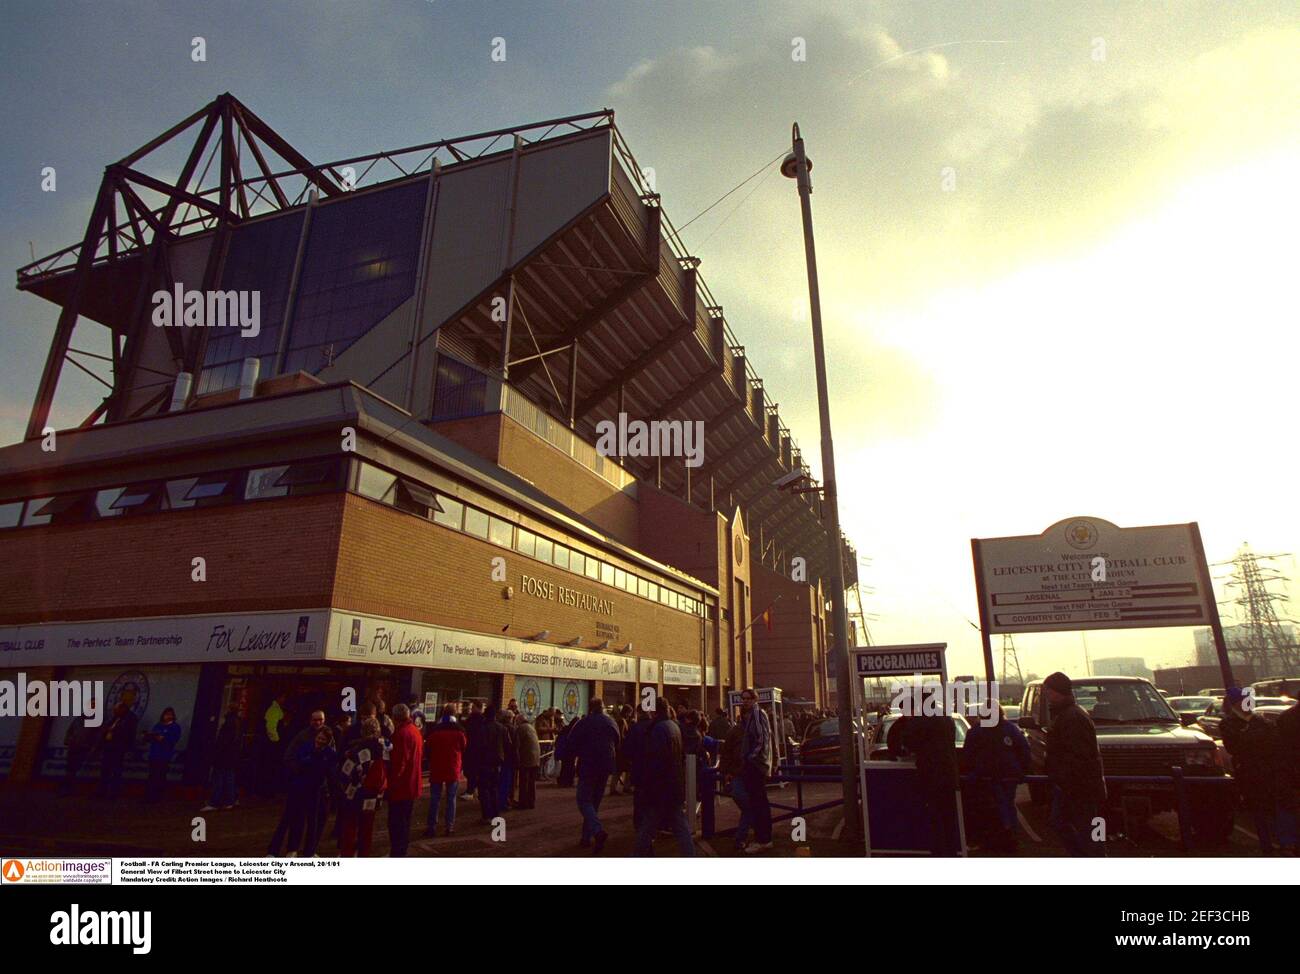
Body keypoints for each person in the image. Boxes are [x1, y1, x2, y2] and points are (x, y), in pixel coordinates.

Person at [1042, 671, 1107, 857]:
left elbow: (1078, 756)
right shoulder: (1073, 714)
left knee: (1082, 828)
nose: (1047, 697)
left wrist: (1062, 779)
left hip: (1077, 787)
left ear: (1057, 692)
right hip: (1079, 785)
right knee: (1089, 830)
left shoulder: (1071, 718)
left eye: (1049, 692)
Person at [1221, 687, 1284, 854]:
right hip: (1250, 772)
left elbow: (1274, 740)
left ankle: (1279, 843)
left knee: (1272, 808)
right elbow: (1236, 746)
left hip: (1268, 769)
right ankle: (1267, 846)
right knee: (1258, 809)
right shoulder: (1229, 723)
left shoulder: (1259, 721)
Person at [962, 702, 1029, 852]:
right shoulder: (1010, 729)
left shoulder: (976, 731)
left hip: (984, 776)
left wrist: (972, 772)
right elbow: (1024, 749)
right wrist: (1021, 771)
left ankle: (996, 837)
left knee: (990, 807)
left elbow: (968, 755)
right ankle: (1010, 835)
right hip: (1007, 775)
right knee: (1007, 804)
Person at [633, 695, 695, 857]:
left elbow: (656, 760)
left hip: (661, 787)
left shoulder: (659, 729)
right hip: (674, 785)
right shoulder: (673, 726)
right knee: (679, 825)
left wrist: (648, 785)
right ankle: (690, 855)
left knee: (648, 826)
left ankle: (637, 855)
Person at [562, 698, 620, 852]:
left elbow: (571, 742)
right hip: (606, 766)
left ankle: (597, 831)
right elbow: (617, 740)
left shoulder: (584, 723)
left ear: (590, 708)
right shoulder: (611, 722)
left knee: (583, 801)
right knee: (594, 803)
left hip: (588, 765)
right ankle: (586, 837)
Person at [269, 725, 336, 857]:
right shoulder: (306, 747)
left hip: (315, 790)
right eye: (319, 738)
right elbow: (300, 764)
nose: (320, 741)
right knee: (290, 818)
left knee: (312, 822)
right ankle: (278, 850)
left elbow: (330, 773)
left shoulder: (328, 754)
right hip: (299, 787)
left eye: (323, 739)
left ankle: (307, 852)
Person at [337, 717, 388, 857]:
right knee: (367, 829)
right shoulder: (384, 750)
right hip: (374, 796)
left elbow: (345, 774)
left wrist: (347, 790)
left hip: (355, 795)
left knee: (350, 828)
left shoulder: (357, 751)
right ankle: (363, 855)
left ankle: (347, 855)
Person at [738, 688, 774, 853]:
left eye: (748, 698)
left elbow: (762, 738)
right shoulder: (749, 717)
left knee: (759, 802)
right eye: (743, 698)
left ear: (754, 699)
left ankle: (764, 839)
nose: (745, 701)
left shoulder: (758, 714)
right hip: (755, 764)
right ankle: (762, 837)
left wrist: (751, 757)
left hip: (756, 765)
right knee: (756, 802)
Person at [424, 704, 467, 837]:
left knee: (435, 798)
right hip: (453, 767)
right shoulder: (460, 731)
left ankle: (431, 827)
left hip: (437, 767)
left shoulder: (435, 730)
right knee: (451, 798)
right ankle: (449, 826)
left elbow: (428, 748)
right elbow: (464, 746)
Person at [387, 703, 423, 857]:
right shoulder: (415, 731)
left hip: (401, 786)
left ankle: (397, 852)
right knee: (405, 821)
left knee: (396, 822)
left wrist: (390, 783)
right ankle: (401, 851)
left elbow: (399, 762)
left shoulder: (401, 734)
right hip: (412, 783)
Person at [201, 705, 244, 811]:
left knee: (219, 778)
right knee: (229, 777)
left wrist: (215, 753)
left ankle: (215, 801)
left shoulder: (228, 723)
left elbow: (223, 742)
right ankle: (231, 799)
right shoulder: (238, 723)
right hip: (232, 756)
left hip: (223, 756)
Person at [718, 720, 752, 851]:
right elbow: (726, 752)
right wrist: (725, 771)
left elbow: (770, 746)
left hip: (752, 773)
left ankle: (744, 836)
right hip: (739, 773)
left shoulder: (760, 728)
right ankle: (743, 836)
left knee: (750, 808)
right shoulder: (734, 731)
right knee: (748, 806)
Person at [96, 702, 137, 800]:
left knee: (115, 772)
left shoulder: (130, 718)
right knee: (105, 770)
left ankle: (113, 793)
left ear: (122, 709)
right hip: (109, 747)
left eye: (116, 709)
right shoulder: (115, 718)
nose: (114, 711)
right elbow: (106, 728)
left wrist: (113, 730)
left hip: (118, 748)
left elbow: (127, 733)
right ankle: (102, 791)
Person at [476, 703, 508, 822]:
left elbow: (478, 746)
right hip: (497, 762)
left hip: (484, 762)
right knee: (494, 788)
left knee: (484, 790)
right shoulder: (502, 728)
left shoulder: (482, 728)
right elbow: (507, 744)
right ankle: (495, 813)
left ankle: (486, 815)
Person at [623, 707, 653, 830]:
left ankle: (639, 823)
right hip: (652, 767)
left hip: (639, 766)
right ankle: (650, 822)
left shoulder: (635, 727)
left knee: (639, 796)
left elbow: (627, 748)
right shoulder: (655, 726)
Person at [257, 691, 289, 797]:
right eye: (283, 697)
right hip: (271, 745)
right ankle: (267, 790)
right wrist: (276, 741)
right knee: (270, 767)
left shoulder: (274, 709)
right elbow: (271, 727)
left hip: (271, 744)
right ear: (279, 698)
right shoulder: (274, 710)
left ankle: (267, 790)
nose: (284, 700)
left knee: (269, 767)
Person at [59, 712, 98, 796]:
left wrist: (92, 747)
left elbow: (97, 736)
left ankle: (69, 788)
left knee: (75, 768)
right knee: (70, 768)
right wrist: (67, 740)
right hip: (73, 746)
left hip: (83, 748)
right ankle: (66, 788)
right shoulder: (78, 719)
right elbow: (70, 730)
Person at [515, 713, 541, 810]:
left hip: (526, 758)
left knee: (524, 782)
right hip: (535, 758)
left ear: (519, 721)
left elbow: (517, 744)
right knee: (531, 782)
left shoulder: (521, 728)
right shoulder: (531, 727)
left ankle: (523, 803)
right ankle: (531, 802)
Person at [462, 701, 485, 799]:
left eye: (473, 707)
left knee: (471, 770)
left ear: (477, 708)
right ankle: (473, 789)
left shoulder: (474, 719)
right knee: (472, 771)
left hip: (472, 748)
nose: (471, 709)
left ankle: (471, 790)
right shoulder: (481, 719)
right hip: (475, 749)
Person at [498, 708, 518, 811]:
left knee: (501, 780)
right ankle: (504, 802)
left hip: (501, 758)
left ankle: (501, 800)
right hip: (509, 758)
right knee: (507, 781)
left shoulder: (500, 727)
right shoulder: (512, 729)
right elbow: (515, 745)